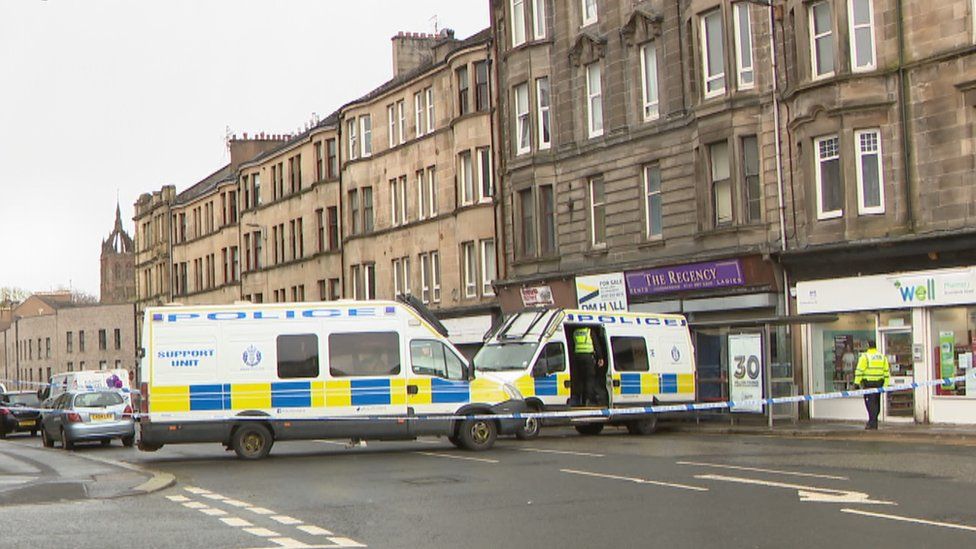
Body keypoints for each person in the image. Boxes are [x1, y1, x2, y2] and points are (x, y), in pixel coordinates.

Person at [854, 340, 890, 430]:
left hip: (868, 384)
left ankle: (872, 423)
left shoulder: (865, 356)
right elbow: (886, 372)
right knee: (876, 403)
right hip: (879, 383)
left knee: (870, 404)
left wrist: (856, 383)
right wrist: (885, 384)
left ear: (868, 346)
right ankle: (873, 422)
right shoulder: (882, 357)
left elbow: (859, 370)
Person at [573, 326, 604, 406]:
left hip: (577, 357)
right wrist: (600, 357)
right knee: (589, 379)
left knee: (581, 379)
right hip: (588, 358)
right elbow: (596, 345)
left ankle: (579, 399)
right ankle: (588, 400)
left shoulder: (576, 332)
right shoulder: (589, 331)